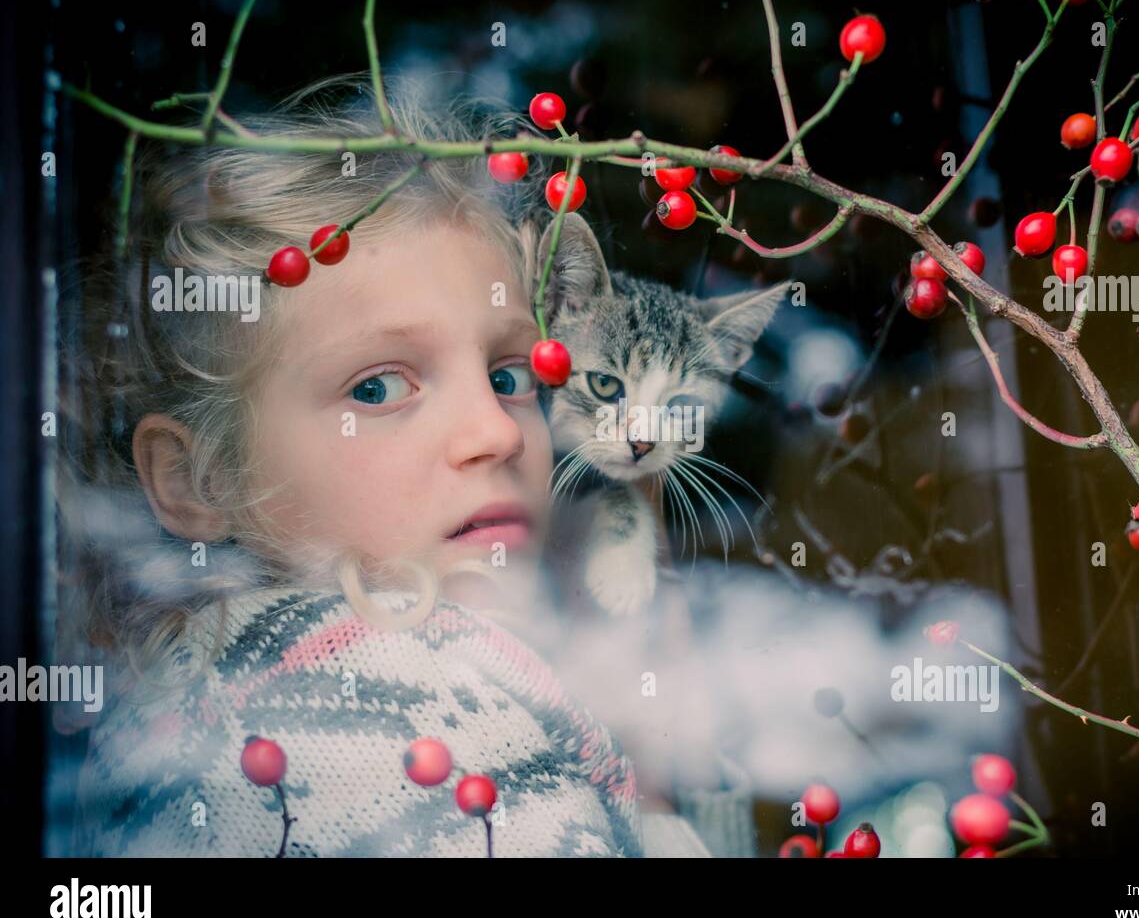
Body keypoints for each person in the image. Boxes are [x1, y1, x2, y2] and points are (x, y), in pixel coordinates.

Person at [55, 74, 754, 858]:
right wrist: (656, 785)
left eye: (512, 377)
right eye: (379, 387)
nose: (496, 431)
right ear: (200, 479)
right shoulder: (387, 719)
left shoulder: (187, 707)